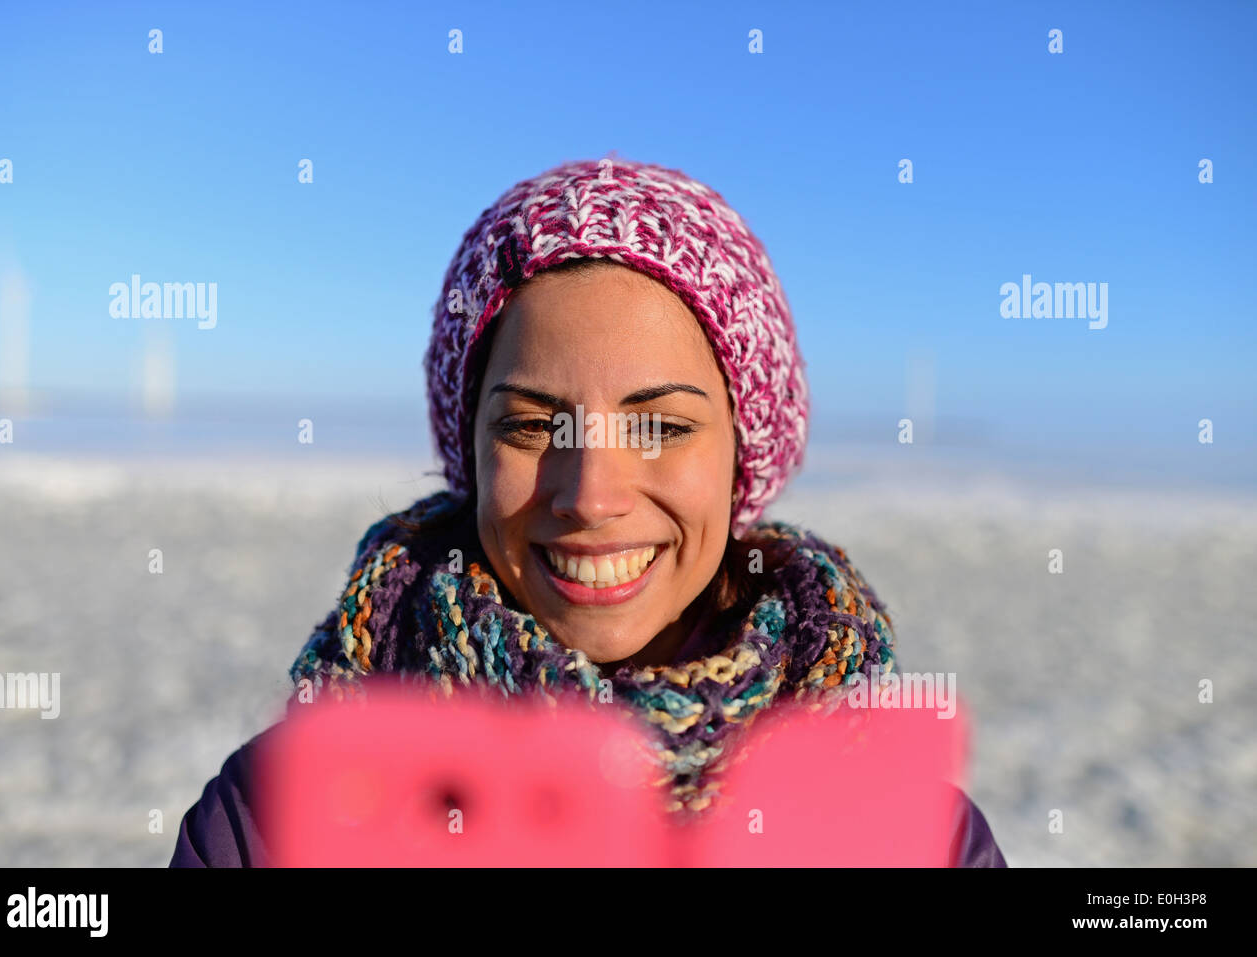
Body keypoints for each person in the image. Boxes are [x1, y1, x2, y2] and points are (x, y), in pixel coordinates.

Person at [170, 157, 1006, 867]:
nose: (591, 497)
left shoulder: (920, 838)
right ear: (472, 448)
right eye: (535, 425)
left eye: (662, 426)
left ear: (741, 457)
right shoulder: (272, 822)